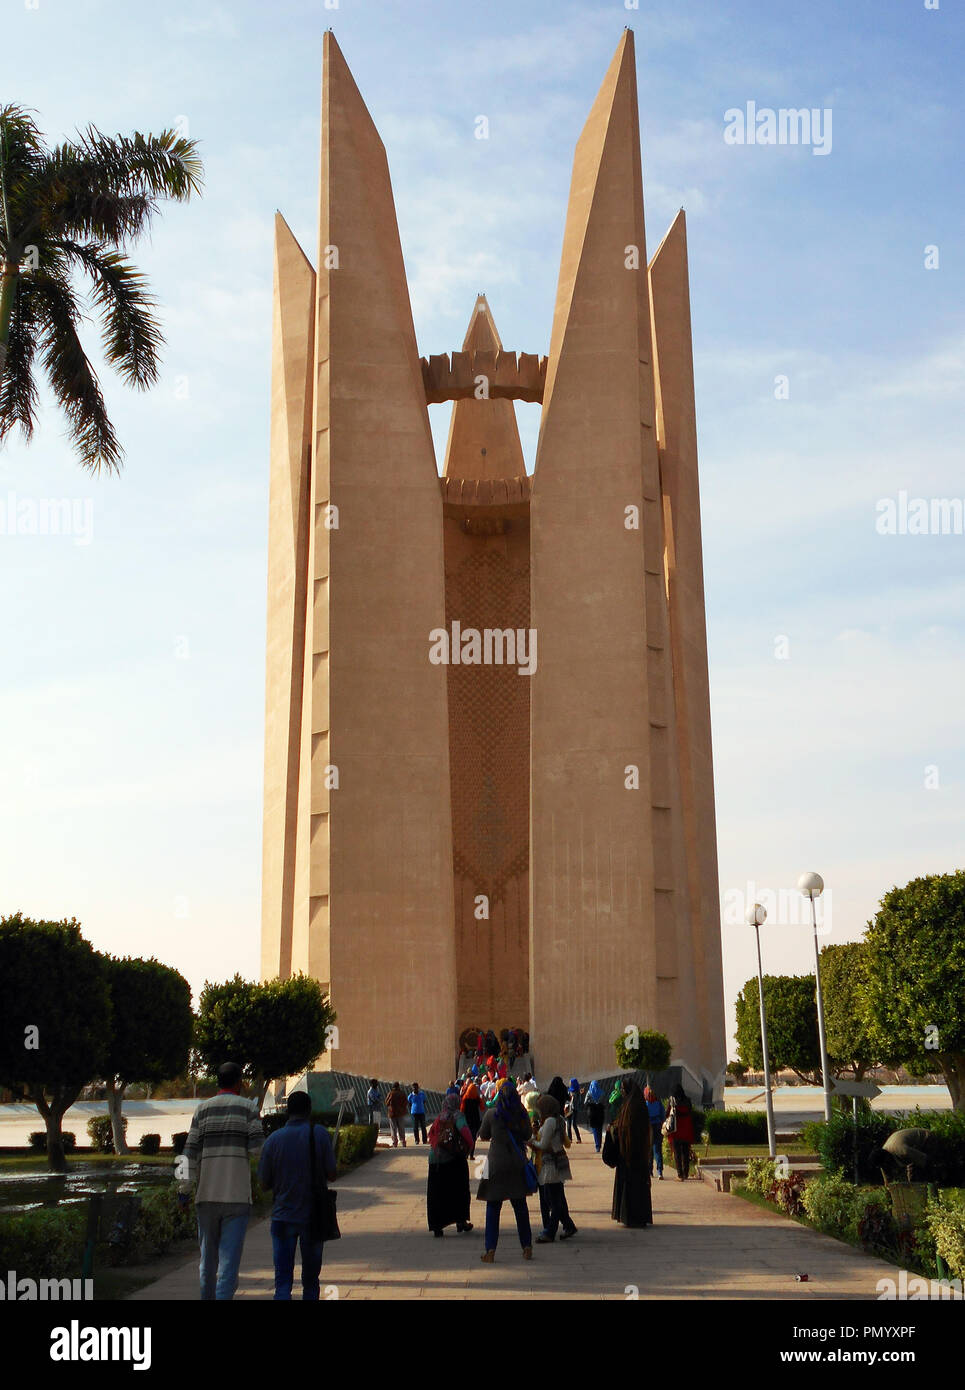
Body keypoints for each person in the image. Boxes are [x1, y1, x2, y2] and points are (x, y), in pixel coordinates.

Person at [183, 1060, 264, 1300]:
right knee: (228, 1263)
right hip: (237, 1197)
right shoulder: (248, 1108)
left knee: (207, 1262)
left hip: (206, 1197)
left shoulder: (202, 1110)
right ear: (239, 1082)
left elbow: (189, 1154)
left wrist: (183, 1191)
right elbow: (258, 1150)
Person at [257, 1090, 337, 1300]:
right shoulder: (318, 1134)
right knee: (311, 1280)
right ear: (309, 1110)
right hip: (313, 1217)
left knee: (282, 1281)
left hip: (282, 1216)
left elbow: (264, 1184)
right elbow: (332, 1174)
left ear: (287, 1111)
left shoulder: (273, 1140)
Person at [476, 1079, 534, 1262]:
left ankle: (490, 1250)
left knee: (493, 1208)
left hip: (494, 1164)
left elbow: (483, 1135)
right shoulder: (522, 1113)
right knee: (520, 1208)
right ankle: (526, 1247)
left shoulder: (492, 1114)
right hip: (517, 1163)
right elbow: (528, 1135)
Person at [602, 1082, 653, 1228]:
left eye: (624, 1090)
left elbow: (624, 1128)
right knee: (639, 1188)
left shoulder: (630, 1107)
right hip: (640, 1156)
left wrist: (612, 1129)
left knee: (629, 1187)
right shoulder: (638, 1106)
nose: (622, 1092)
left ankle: (629, 1216)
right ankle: (640, 1217)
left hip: (628, 1155)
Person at [530, 1095, 577, 1242]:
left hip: (551, 1163)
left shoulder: (550, 1121)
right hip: (558, 1160)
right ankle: (568, 1225)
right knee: (557, 1198)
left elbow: (543, 1145)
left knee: (552, 1199)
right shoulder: (559, 1120)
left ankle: (550, 1231)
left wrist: (532, 1142)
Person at [427, 1093, 474, 1236]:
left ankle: (437, 1226)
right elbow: (466, 1133)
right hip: (453, 1159)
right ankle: (461, 1221)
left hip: (435, 1160)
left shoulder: (439, 1117)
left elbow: (431, 1135)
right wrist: (470, 1147)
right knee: (460, 1190)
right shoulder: (457, 1116)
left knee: (437, 1194)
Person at [870, 1128, 936, 1182]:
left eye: (885, 1164)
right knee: (913, 1179)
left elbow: (925, 1160)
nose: (886, 1166)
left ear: (887, 1158)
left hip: (926, 1138)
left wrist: (930, 1180)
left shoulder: (902, 1151)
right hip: (911, 1147)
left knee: (919, 1172)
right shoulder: (882, 1157)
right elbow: (887, 1180)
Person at [667, 1084, 695, 1180]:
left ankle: (680, 1174)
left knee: (677, 1154)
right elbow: (691, 1112)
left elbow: (667, 1113)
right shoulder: (687, 1100)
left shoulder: (672, 1101)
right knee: (686, 1153)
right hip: (686, 1130)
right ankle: (686, 1173)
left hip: (676, 1130)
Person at [644, 1086, 665, 1179]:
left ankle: (649, 1171)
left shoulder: (645, 1104)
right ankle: (660, 1171)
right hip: (657, 1126)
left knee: (649, 1150)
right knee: (657, 1150)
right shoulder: (658, 1102)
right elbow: (663, 1114)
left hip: (649, 1128)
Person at [584, 1080, 605, 1152]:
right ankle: (599, 1144)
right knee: (599, 1129)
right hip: (600, 1113)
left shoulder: (589, 1092)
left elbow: (585, 1102)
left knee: (595, 1130)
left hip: (592, 1113)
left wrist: (591, 1102)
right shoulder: (602, 1092)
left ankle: (597, 1146)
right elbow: (604, 1102)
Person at [386, 1082, 408, 1148]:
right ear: (398, 1087)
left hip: (392, 1114)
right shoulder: (402, 1093)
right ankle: (403, 1141)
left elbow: (387, 1103)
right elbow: (406, 1103)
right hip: (400, 1113)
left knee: (393, 1128)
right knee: (401, 1128)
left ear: (393, 1087)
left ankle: (395, 1142)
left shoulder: (390, 1093)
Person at [460, 1074, 482, 1139]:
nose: (467, 1084)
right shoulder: (474, 1098)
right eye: (467, 1083)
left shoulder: (467, 1099)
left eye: (469, 1083)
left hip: (470, 1122)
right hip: (471, 1122)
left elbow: (462, 1110)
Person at [565, 1078, 583, 1144]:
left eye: (571, 1083)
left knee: (574, 1124)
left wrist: (573, 1097)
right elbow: (566, 1099)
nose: (570, 1084)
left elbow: (579, 1101)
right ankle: (570, 1139)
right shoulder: (569, 1090)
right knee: (568, 1124)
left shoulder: (577, 1092)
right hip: (569, 1109)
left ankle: (579, 1139)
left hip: (574, 1109)